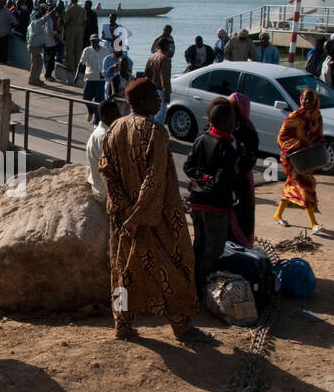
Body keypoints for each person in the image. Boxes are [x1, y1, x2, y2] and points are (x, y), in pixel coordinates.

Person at [99, 78, 212, 343]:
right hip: (156, 220)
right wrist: (138, 216)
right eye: (155, 98)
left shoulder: (114, 128)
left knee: (121, 272)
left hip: (122, 220)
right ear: (141, 102)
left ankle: (122, 325)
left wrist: (125, 212)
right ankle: (182, 327)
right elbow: (154, 180)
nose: (160, 102)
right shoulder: (156, 132)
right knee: (174, 269)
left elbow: (107, 172)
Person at [184, 97, 239, 297]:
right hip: (216, 207)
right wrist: (214, 182)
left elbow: (188, 167)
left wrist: (202, 179)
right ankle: (201, 290)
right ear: (225, 123)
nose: (234, 124)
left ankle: (190, 283)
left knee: (198, 245)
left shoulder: (201, 139)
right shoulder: (227, 148)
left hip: (197, 204)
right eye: (232, 120)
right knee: (212, 250)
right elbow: (222, 181)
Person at [274, 88, 324, 233]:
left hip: (308, 159)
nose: (307, 102)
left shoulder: (317, 116)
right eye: (305, 99)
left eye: (310, 99)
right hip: (295, 158)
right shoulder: (295, 116)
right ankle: (314, 224)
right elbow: (281, 137)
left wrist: (316, 144)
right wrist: (298, 144)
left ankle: (278, 215)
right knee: (306, 187)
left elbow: (318, 135)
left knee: (291, 187)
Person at [227, 92, 258, 247]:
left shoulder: (225, 126)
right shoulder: (248, 128)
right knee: (243, 217)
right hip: (243, 182)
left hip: (233, 182)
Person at [86, 99, 121, 204]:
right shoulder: (104, 136)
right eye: (115, 114)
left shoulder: (102, 132)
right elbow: (110, 168)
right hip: (104, 190)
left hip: (100, 183)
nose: (119, 116)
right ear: (105, 116)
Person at [75, 33, 110, 123]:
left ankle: (96, 121)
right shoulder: (87, 50)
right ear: (90, 42)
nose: (94, 43)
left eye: (96, 41)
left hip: (101, 79)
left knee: (99, 101)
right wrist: (77, 74)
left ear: (98, 41)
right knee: (86, 98)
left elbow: (108, 63)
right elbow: (81, 63)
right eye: (92, 41)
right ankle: (91, 111)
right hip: (90, 77)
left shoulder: (105, 50)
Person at [144, 36, 174, 125]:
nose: (170, 47)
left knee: (151, 115)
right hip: (160, 90)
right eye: (168, 45)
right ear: (165, 46)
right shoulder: (164, 58)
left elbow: (146, 73)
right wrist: (167, 94)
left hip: (151, 89)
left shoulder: (152, 57)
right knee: (160, 116)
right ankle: (158, 134)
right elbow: (164, 77)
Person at [63, 0, 86, 75]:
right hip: (80, 29)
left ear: (71, 0)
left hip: (71, 28)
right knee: (79, 48)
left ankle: (71, 66)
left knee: (70, 47)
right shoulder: (82, 9)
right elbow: (84, 21)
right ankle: (77, 66)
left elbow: (66, 20)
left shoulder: (69, 9)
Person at [26, 8, 49, 86]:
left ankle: (36, 79)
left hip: (34, 46)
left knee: (39, 63)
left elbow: (27, 37)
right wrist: (54, 10)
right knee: (35, 64)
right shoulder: (37, 23)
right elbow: (46, 18)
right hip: (34, 46)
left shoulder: (31, 25)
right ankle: (32, 80)